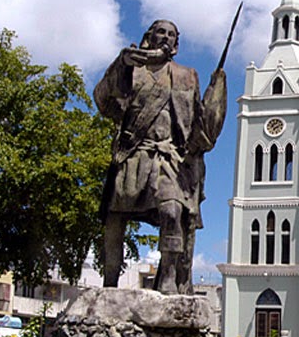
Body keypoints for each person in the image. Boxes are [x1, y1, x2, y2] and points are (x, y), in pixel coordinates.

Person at [95, 20, 227, 294]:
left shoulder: (186, 75)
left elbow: (198, 122)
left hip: (169, 159)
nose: (165, 38)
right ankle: (109, 282)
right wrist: (122, 63)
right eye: (160, 32)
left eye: (171, 35)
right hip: (134, 155)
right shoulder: (132, 69)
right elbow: (105, 102)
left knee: (172, 211)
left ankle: (168, 277)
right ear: (149, 37)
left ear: (176, 44)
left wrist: (217, 90)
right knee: (115, 216)